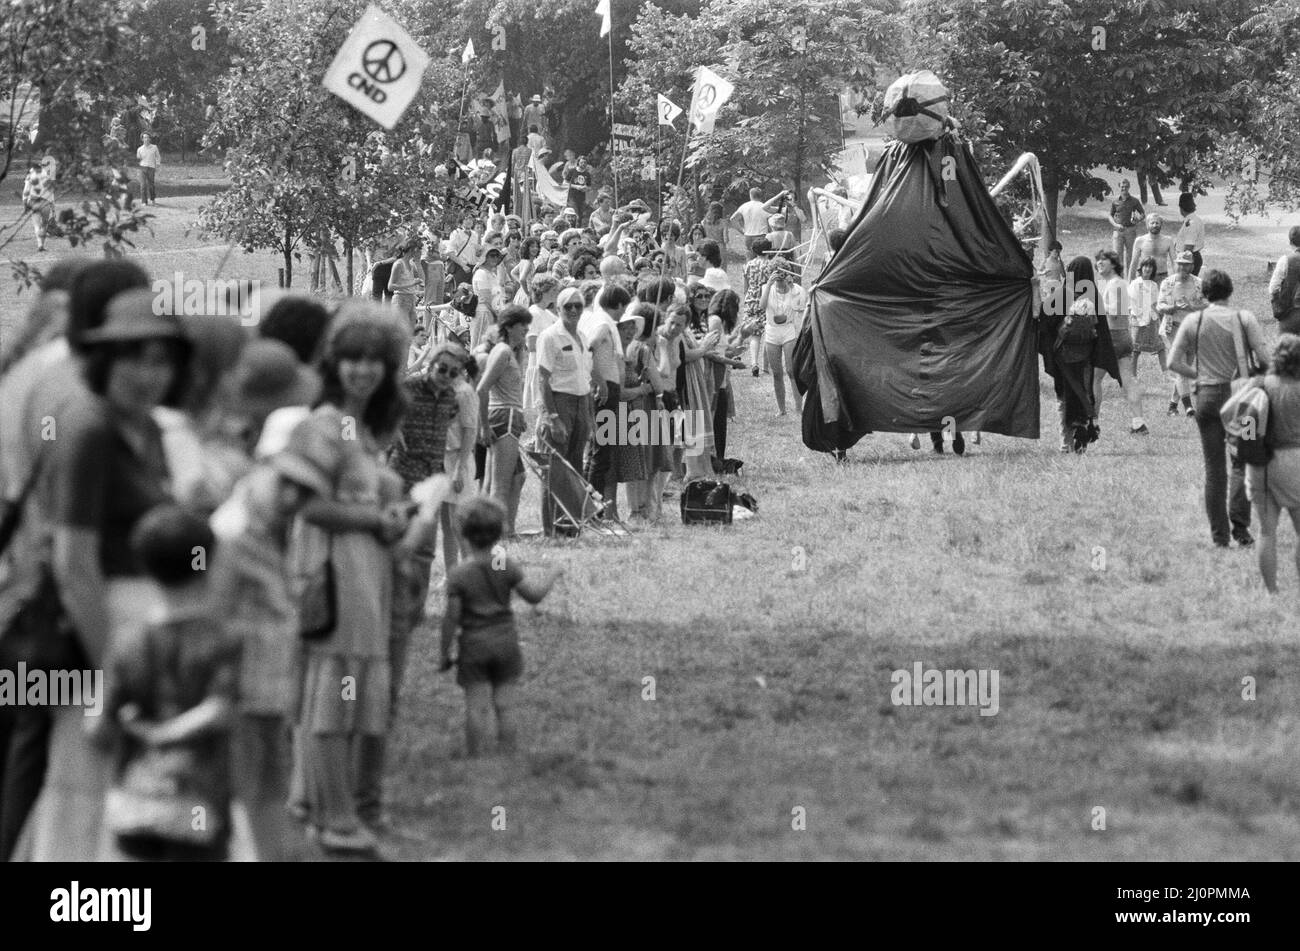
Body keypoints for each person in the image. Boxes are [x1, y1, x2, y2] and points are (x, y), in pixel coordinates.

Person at [19, 287, 191, 862]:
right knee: (86, 798)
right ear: (104, 359)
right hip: (99, 642)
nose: (148, 374)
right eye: (133, 357)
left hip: (148, 642)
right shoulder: (88, 429)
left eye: (161, 360)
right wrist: (113, 682)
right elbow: (75, 565)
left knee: (139, 800)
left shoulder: (148, 432)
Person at [291, 303, 409, 854]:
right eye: (352, 359)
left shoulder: (359, 431)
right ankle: (334, 819)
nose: (362, 370)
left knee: (351, 699)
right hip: (334, 581)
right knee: (330, 703)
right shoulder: (323, 424)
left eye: (374, 361)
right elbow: (308, 506)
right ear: (333, 364)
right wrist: (374, 518)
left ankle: (325, 811)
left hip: (368, 581)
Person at [209, 411, 331, 861]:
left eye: (306, 490)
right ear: (261, 465)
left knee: (271, 792)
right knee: (244, 800)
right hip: (237, 698)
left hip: (271, 693)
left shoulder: (279, 529)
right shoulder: (232, 533)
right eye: (286, 481)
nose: (293, 497)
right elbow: (213, 622)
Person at [94, 505, 238, 861]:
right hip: (198, 808)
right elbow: (221, 711)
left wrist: (135, 728)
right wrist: (166, 731)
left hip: (134, 808)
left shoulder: (126, 644)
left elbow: (97, 726)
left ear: (143, 567)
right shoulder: (222, 640)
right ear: (204, 564)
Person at [440, 497, 560, 756]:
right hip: (506, 643)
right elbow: (534, 595)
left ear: (461, 532)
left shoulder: (459, 574)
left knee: (476, 706)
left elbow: (452, 617)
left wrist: (444, 651)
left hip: (473, 646)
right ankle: (508, 754)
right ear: (501, 531)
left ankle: (474, 756)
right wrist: (553, 572)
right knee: (505, 705)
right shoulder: (505, 564)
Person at [1169, 268, 1270, 548]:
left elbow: (1173, 363)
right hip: (1243, 401)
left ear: (1204, 293)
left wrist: (1197, 375)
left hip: (1206, 399)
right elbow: (1265, 357)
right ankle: (1241, 528)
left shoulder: (1194, 320)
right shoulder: (1244, 318)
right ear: (1230, 291)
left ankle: (1220, 537)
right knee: (1244, 460)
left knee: (1214, 470)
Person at [535, 287, 593, 536]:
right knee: (555, 469)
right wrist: (553, 417)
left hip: (581, 402)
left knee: (576, 467)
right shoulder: (550, 336)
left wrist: (590, 416)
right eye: (567, 306)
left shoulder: (582, 335)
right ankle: (553, 529)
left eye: (578, 305)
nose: (573, 310)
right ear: (557, 309)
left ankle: (571, 524)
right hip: (559, 403)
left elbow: (586, 378)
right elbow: (542, 380)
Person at [1248, 335, 1300, 592]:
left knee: (1266, 532)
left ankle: (1272, 592)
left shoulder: (1260, 384)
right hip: (1293, 462)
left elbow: (1246, 425)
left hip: (1259, 463)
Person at [478, 306, 531, 538]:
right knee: (499, 485)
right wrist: (484, 426)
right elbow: (481, 389)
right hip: (503, 417)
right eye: (523, 325)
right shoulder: (502, 352)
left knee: (518, 477)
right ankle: (493, 536)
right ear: (509, 327)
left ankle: (507, 530)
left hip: (510, 416)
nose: (526, 330)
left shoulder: (509, 351)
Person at [580, 283, 630, 520]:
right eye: (623, 307)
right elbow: (588, 348)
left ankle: (592, 507)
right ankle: (593, 509)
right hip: (604, 390)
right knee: (600, 453)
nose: (623, 313)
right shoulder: (601, 323)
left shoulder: (601, 320)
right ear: (618, 305)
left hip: (607, 388)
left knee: (599, 452)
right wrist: (600, 382)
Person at [1094, 250, 1148, 434]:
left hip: (1111, 336)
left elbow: (1115, 311)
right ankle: (1138, 423)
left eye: (1103, 260)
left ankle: (1093, 423)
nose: (1099, 263)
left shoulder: (1116, 284)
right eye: (1097, 261)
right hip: (1123, 336)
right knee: (1128, 381)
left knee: (1094, 378)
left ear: (1114, 264)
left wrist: (1095, 304)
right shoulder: (1116, 283)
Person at [1158, 251, 1206, 417]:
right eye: (1179, 263)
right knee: (1181, 366)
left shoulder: (1199, 283)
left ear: (1192, 266)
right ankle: (1188, 407)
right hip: (1173, 329)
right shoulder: (1168, 283)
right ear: (1175, 264)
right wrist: (1171, 308)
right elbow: (1159, 305)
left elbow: (1208, 305)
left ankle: (1172, 405)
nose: (1182, 267)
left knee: (1184, 368)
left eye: (1186, 264)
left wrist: (1192, 306)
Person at [760, 262, 807, 417]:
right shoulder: (767, 288)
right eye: (776, 276)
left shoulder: (796, 290)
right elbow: (762, 306)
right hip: (772, 330)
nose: (779, 280)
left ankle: (799, 408)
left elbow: (800, 308)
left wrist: (791, 287)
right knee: (777, 373)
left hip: (788, 329)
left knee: (791, 370)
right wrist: (769, 284)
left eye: (782, 275)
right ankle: (781, 409)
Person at [705, 290, 745, 465]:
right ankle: (712, 458)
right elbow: (712, 352)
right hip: (713, 373)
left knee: (720, 419)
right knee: (714, 417)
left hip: (721, 375)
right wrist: (734, 362)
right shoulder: (714, 321)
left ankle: (718, 459)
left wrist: (741, 336)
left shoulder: (719, 323)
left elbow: (725, 348)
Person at [524, 272, 560, 417]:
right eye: (553, 290)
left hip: (551, 367)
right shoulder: (534, 313)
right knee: (543, 413)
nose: (557, 293)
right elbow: (531, 345)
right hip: (539, 366)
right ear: (543, 291)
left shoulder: (549, 314)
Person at [1128, 256, 1166, 381]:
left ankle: (1165, 372)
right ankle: (1133, 375)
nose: (1148, 269)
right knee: (1136, 348)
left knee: (1160, 346)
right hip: (1138, 320)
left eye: (1150, 267)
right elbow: (1133, 303)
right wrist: (1141, 318)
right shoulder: (1135, 283)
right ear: (1141, 268)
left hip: (1152, 319)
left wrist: (1160, 318)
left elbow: (1155, 304)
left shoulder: (1154, 285)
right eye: (1145, 266)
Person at [741, 236, 774, 375]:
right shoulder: (771, 266)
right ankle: (767, 366)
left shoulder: (748, 265)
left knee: (754, 335)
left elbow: (745, 287)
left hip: (751, 300)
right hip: (766, 301)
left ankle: (754, 363)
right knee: (768, 333)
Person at [731, 187, 789, 256]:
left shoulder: (744, 206)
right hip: (761, 236)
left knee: (750, 257)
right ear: (761, 196)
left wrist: (742, 231)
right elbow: (771, 222)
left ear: (750, 195)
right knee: (762, 257)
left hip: (748, 236)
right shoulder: (763, 207)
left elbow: (733, 219)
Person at [470, 246, 506, 349]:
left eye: (497, 256)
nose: (495, 258)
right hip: (484, 312)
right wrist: (497, 314)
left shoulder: (492, 274)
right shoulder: (481, 273)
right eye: (492, 256)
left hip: (492, 312)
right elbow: (486, 297)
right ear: (484, 257)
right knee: (480, 346)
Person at [1109, 178, 1146, 274]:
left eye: (1126, 186)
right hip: (1118, 232)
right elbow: (1110, 215)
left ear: (1129, 187)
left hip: (1130, 231)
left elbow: (1143, 214)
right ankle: (1119, 280)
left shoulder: (1134, 201)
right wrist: (1115, 224)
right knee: (1117, 256)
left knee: (1130, 256)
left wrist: (1138, 219)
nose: (1124, 188)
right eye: (1122, 186)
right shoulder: (1115, 201)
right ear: (1119, 187)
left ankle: (1130, 280)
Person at [1270, 225, 1300, 336]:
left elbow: (1273, 288)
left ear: (1290, 242)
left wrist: (1278, 305)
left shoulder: (1285, 260)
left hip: (1290, 313)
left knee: (1285, 349)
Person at [1127, 213, 1175, 283]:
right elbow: (1134, 263)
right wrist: (1129, 282)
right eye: (1152, 223)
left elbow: (1174, 262)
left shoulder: (1168, 241)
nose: (1155, 225)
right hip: (1144, 277)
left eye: (1157, 223)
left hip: (1161, 277)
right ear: (1147, 225)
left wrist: (1176, 280)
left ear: (1161, 225)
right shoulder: (1140, 241)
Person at [388, 240, 424, 332]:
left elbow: (422, 280)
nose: (419, 252)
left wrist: (418, 262)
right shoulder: (399, 264)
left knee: (411, 331)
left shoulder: (411, 264)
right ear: (412, 250)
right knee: (400, 331)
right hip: (400, 300)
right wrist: (411, 284)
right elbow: (390, 286)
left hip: (411, 299)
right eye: (417, 250)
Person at [21, 161, 55, 252]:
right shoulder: (47, 176)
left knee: (36, 225)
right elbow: (51, 192)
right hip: (45, 202)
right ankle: (42, 245)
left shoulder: (30, 176)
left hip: (34, 201)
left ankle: (39, 244)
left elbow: (26, 191)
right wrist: (53, 207)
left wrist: (25, 204)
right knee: (44, 225)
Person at [1177, 192, 1206, 276]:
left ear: (1181, 208)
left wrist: (1184, 263)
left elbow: (1189, 246)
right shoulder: (1192, 219)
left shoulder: (1191, 222)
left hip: (1189, 257)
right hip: (1190, 257)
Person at [563, 154, 593, 222]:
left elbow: (589, 187)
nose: (583, 164)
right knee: (575, 214)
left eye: (585, 162)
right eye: (581, 162)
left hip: (582, 198)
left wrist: (586, 188)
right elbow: (565, 183)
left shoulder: (587, 174)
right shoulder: (572, 171)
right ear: (578, 163)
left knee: (580, 216)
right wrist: (576, 186)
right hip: (572, 197)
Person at [136, 133, 162, 205]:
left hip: (151, 168)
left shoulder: (154, 147)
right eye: (144, 138)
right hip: (142, 168)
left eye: (147, 137)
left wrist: (157, 165)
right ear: (142, 139)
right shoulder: (139, 149)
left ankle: (153, 199)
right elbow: (138, 160)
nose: (146, 139)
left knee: (151, 185)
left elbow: (158, 157)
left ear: (150, 139)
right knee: (143, 185)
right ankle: (144, 201)